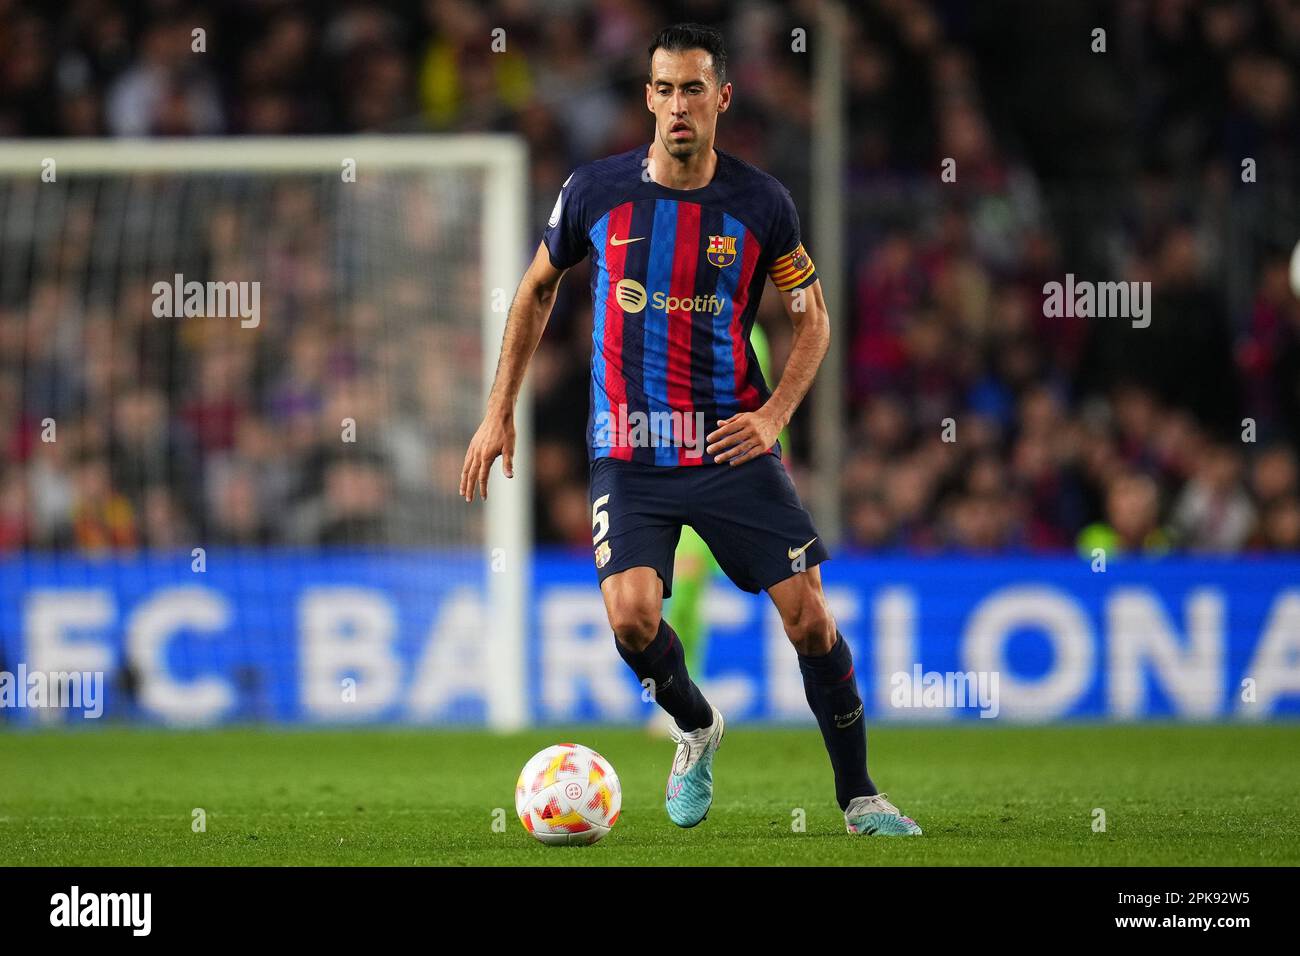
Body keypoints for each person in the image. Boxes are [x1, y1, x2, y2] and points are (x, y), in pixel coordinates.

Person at [460, 23, 920, 836]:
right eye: (665, 89)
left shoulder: (761, 203)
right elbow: (536, 290)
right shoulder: (596, 191)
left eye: (694, 89)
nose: (679, 105)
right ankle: (697, 724)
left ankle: (859, 797)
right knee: (631, 617)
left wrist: (773, 415)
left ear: (722, 98)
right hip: (631, 451)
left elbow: (812, 321)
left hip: (729, 447)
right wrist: (498, 410)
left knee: (810, 616)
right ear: (648, 98)